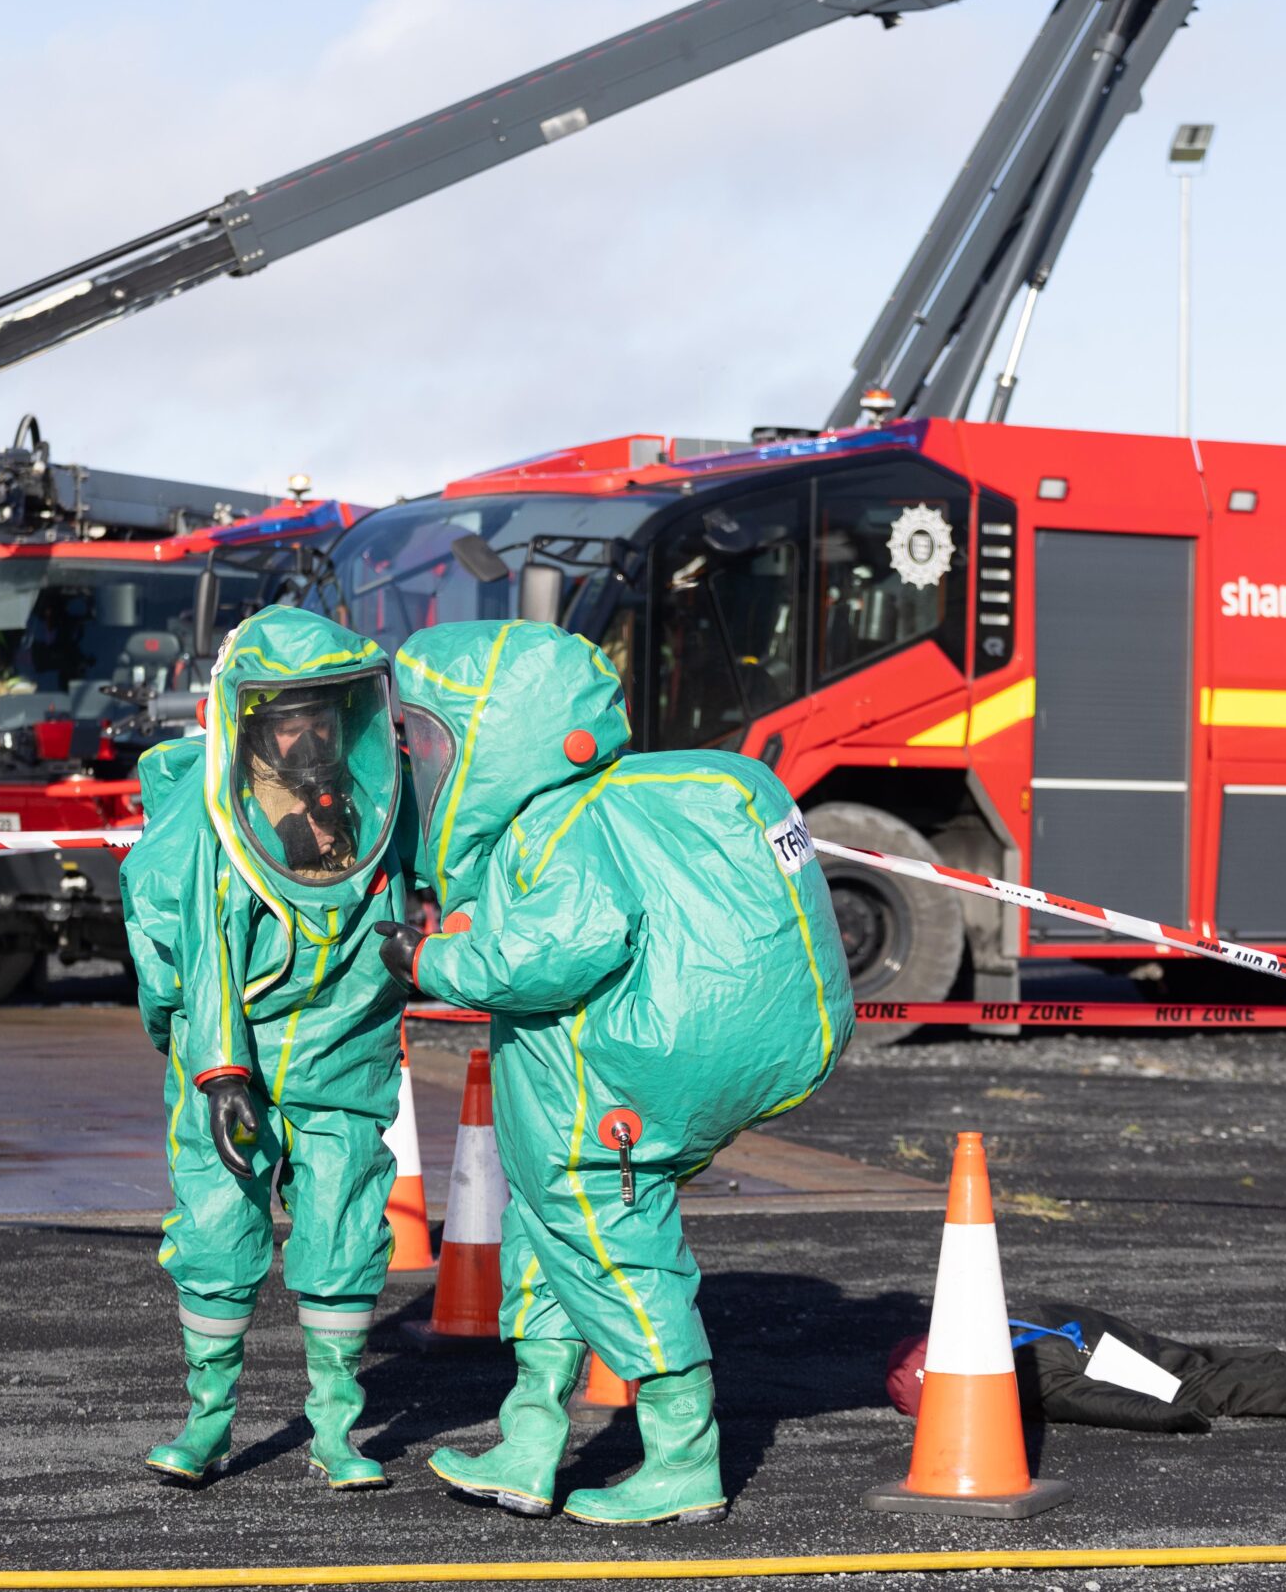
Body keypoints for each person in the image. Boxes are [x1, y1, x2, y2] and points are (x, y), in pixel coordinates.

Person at [375, 619, 854, 1526]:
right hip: (558, 1111)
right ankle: (529, 1442)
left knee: (621, 1260)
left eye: (433, 737)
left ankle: (685, 1458)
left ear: (497, 734)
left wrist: (429, 961)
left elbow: (553, 952)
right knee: (546, 1256)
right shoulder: (552, 821)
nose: (422, 759)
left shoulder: (563, 826)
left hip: (591, 1113)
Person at [120, 606, 409, 1490]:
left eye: (322, 715)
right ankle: (207, 1421)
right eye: (288, 719)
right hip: (236, 1053)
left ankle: (336, 1429)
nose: (308, 737)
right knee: (215, 1228)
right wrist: (218, 1071)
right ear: (250, 722)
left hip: (341, 1052)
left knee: (345, 1227)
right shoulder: (222, 817)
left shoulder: (379, 800)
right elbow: (201, 948)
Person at [886, 1302, 1286, 1433]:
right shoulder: (1007, 1316)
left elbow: (1096, 1402)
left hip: (1173, 1378)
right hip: (1157, 1349)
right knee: (1278, 1365)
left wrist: (1176, 1416)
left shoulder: (1026, 1376)